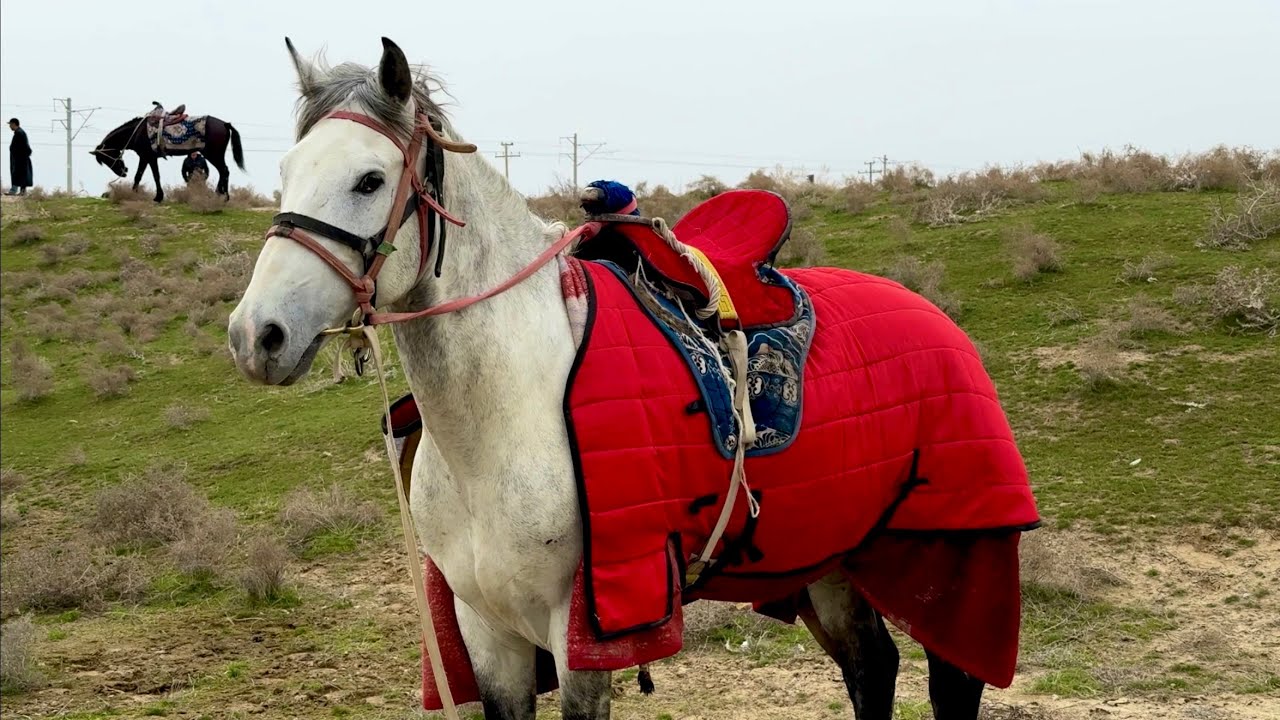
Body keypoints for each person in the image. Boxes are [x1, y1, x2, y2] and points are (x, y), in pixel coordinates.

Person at [7, 118, 33, 196]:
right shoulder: (19, 132)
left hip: (20, 158)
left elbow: (25, 147)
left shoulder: (19, 133)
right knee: (22, 175)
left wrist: (22, 156)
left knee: (17, 174)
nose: (10, 126)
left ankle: (14, 191)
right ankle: (22, 192)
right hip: (20, 158)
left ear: (14, 124)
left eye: (10, 124)